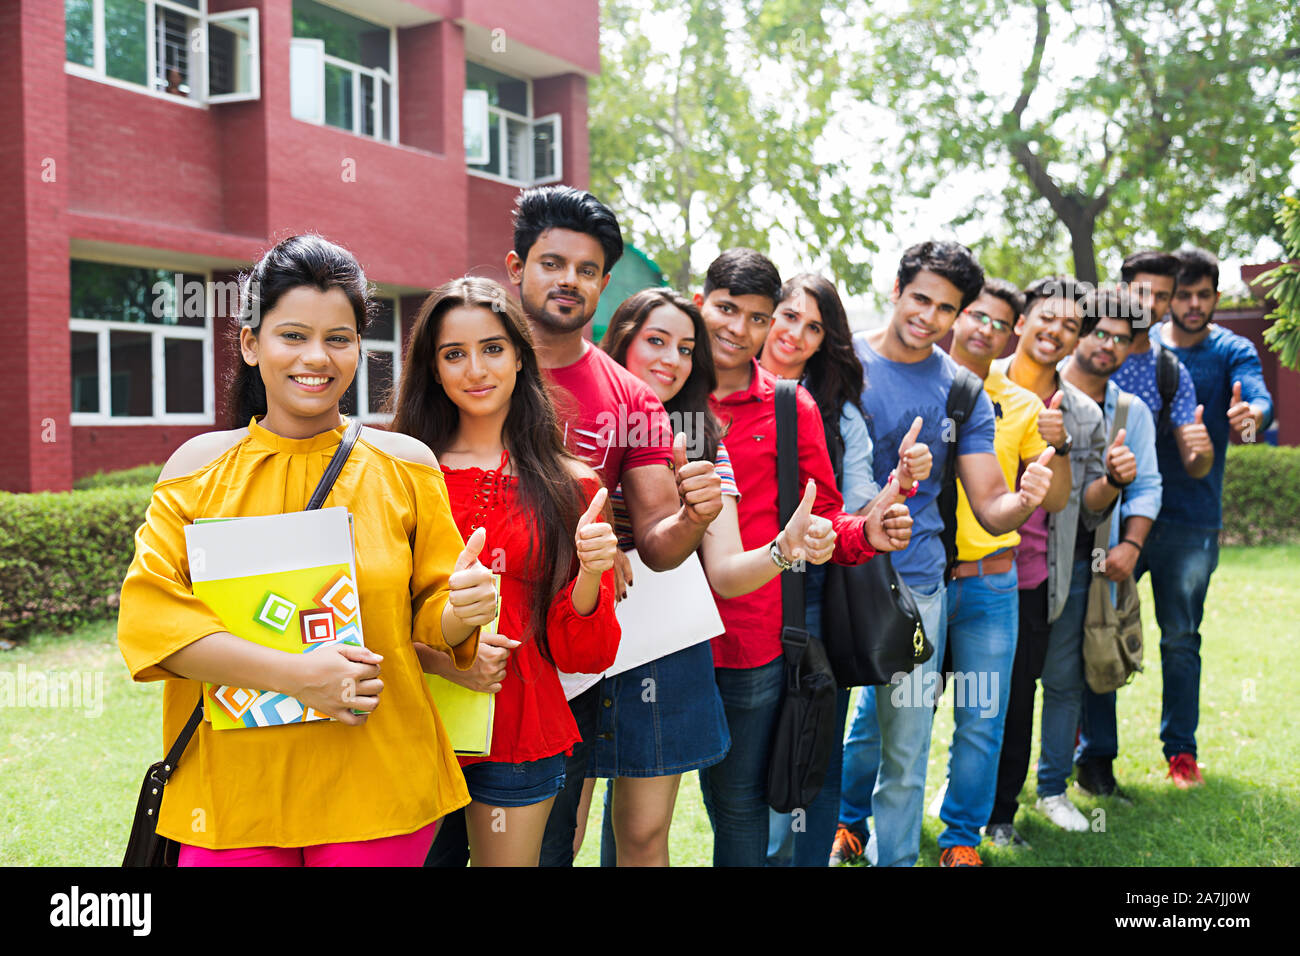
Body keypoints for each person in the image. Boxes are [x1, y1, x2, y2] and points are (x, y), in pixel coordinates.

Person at [117, 235, 493, 866]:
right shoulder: (195, 469)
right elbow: (153, 621)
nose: (316, 357)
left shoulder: (406, 466)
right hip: (233, 787)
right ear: (249, 343)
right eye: (292, 335)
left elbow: (431, 614)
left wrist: (462, 608)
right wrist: (299, 678)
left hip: (376, 775)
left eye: (339, 338)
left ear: (358, 348)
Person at [501, 186, 723, 866]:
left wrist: (691, 516)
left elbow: (657, 546)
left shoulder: (630, 399)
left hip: (576, 652)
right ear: (516, 267)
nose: (569, 279)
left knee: (562, 840)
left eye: (587, 268)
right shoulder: (473, 365)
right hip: (471, 641)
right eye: (552, 262)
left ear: (602, 283)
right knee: (467, 843)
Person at [590, 287, 843, 866]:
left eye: (684, 348)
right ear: (621, 342)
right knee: (566, 827)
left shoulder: (702, 442)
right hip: (572, 645)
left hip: (660, 650)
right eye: (655, 341)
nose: (670, 360)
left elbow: (725, 574)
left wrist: (784, 549)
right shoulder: (579, 417)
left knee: (645, 834)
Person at [835, 242, 1057, 868]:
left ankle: (898, 859)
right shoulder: (839, 363)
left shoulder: (961, 389)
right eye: (921, 299)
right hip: (831, 579)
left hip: (915, 591)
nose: (929, 317)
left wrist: (1026, 499)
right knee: (843, 738)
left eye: (946, 308)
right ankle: (824, 836)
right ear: (897, 289)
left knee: (906, 751)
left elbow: (991, 505)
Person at [393, 277, 622, 867]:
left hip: (519, 726)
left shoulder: (571, 483)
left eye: (492, 348)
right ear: (433, 369)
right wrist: (449, 662)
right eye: (453, 353)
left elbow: (583, 655)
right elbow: (362, 610)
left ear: (520, 356)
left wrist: (593, 574)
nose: (475, 369)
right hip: (406, 722)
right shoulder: (393, 471)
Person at [700, 248, 915, 867]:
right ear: (701, 305)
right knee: (637, 806)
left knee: (745, 800)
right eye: (726, 310)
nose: (741, 330)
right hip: (656, 639)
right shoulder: (660, 391)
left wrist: (867, 533)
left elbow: (826, 517)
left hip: (752, 637)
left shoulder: (794, 408)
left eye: (758, 318)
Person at [758, 273, 933, 867]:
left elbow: (854, 511)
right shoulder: (717, 389)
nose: (795, 335)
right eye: (787, 316)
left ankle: (801, 855)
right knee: (750, 752)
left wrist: (897, 489)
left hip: (808, 595)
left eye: (814, 327)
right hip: (732, 594)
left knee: (813, 737)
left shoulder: (837, 415)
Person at [1107, 248, 1273, 787]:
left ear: (1217, 298)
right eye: (1183, 294)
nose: (1193, 304)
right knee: (1101, 629)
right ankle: (1095, 757)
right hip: (1119, 515)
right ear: (1166, 297)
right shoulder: (1134, 345)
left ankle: (1181, 752)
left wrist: (1250, 418)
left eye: (1205, 295)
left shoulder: (1232, 350)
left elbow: (1259, 411)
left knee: (1180, 638)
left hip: (1191, 519)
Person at [924, 278, 1072, 867]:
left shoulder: (1025, 405)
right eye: (974, 315)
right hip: (920, 577)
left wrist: (1054, 452)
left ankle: (962, 839)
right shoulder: (917, 380)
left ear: (1011, 334)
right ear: (958, 317)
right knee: (894, 713)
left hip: (991, 580)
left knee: (983, 721)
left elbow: (1056, 499)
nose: (984, 328)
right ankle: (853, 822)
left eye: (997, 322)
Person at [986, 275, 1119, 839]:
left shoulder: (1083, 413)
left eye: (1070, 325)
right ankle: (865, 819)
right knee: (941, 694)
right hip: (961, 566)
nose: (1056, 330)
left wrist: (1106, 472)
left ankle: (1001, 812)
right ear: (1022, 321)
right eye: (1047, 317)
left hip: (1037, 575)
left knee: (1018, 697)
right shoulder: (976, 384)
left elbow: (1080, 507)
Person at [1075, 250, 1211, 797]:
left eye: (1161, 296)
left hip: (1148, 522)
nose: (1150, 305)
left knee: (1159, 638)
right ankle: (1088, 760)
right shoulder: (1078, 352)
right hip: (1072, 530)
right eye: (1141, 293)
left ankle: (1174, 752)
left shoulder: (1162, 368)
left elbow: (1176, 462)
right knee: (1083, 647)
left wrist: (1202, 451)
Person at [1030, 286, 1161, 823]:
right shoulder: (1031, 389)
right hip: (1013, 558)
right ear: (1080, 334)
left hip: (1087, 561)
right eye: (1100, 332)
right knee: (1002, 681)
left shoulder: (1131, 412)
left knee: (1068, 680)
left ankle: (1054, 788)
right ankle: (982, 795)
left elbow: (1147, 484)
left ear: (1131, 350)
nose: (1108, 345)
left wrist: (1130, 543)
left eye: (1121, 340)